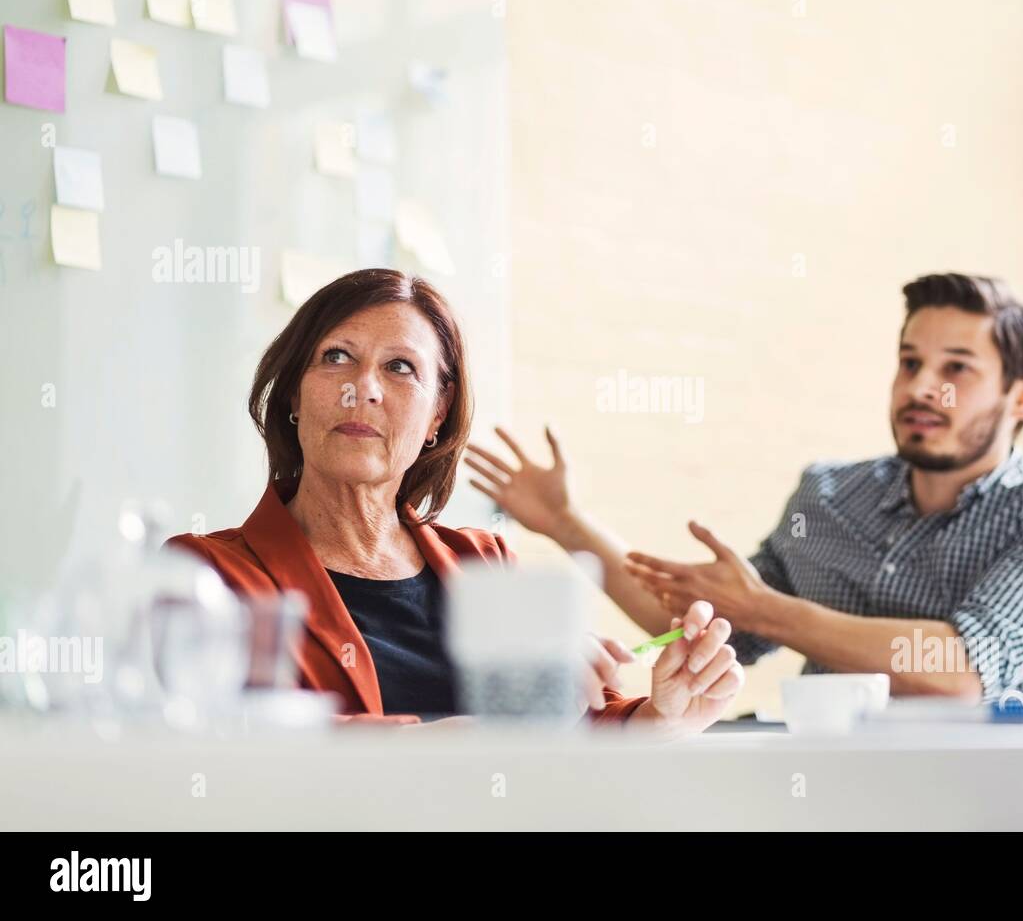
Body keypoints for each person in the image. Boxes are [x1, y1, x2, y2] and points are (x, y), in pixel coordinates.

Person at [465, 273, 1023, 702]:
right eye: (910, 361)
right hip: (814, 792)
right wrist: (565, 521)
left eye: (957, 369)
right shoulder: (828, 496)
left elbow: (965, 670)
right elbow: (707, 621)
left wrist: (766, 610)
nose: (921, 388)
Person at [167, 269, 743, 732]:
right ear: (296, 390)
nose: (362, 387)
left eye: (400, 368)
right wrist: (452, 741)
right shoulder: (205, 573)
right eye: (337, 357)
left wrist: (658, 716)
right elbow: (224, 744)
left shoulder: (482, 562)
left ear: (435, 418)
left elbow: (567, 729)